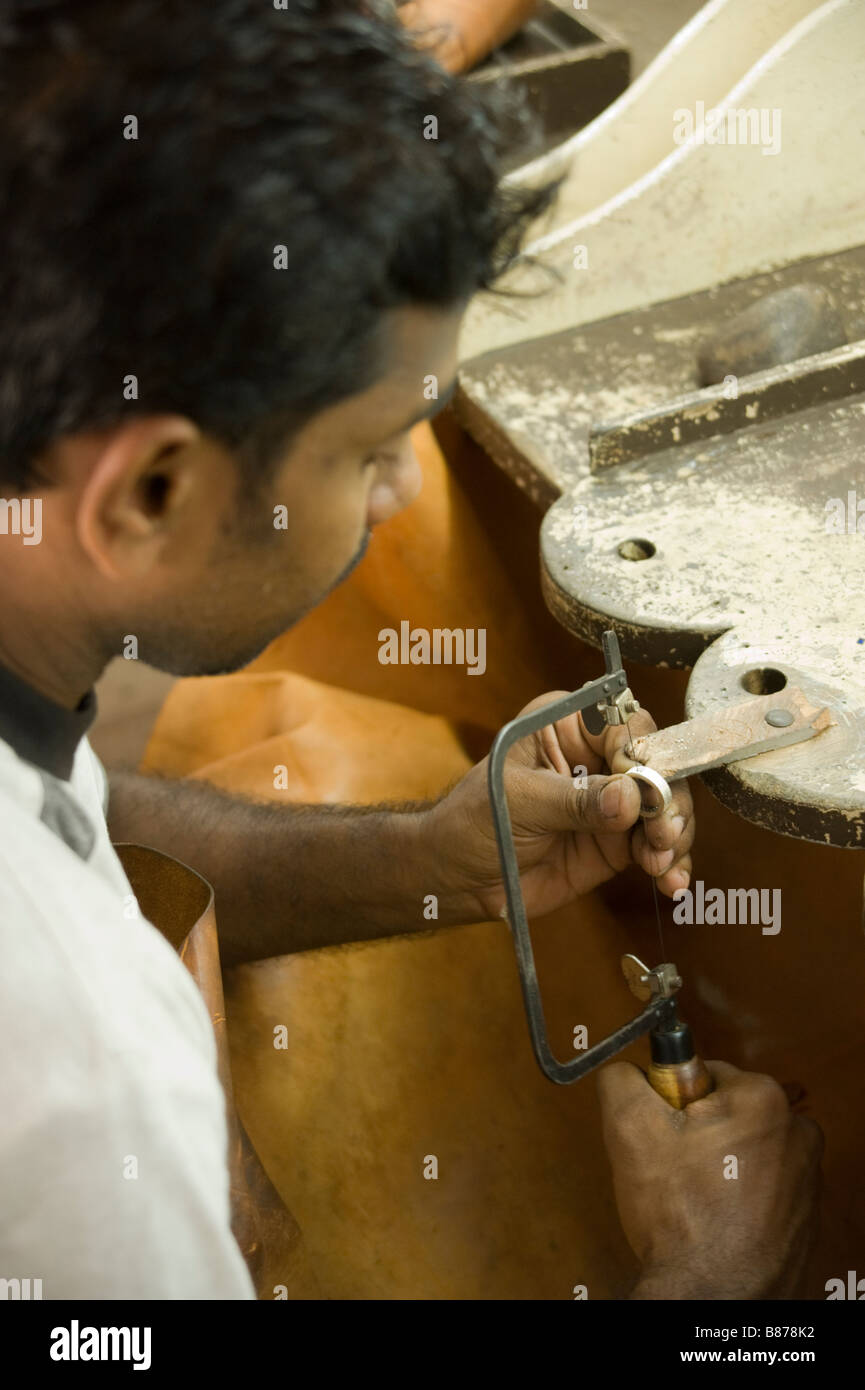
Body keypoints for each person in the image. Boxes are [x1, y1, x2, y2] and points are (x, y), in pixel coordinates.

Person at [0, 0, 821, 1299]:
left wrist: (430, 859)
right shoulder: (83, 1102)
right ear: (148, 494)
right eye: (372, 450)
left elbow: (79, 822)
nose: (396, 498)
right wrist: (708, 1290)